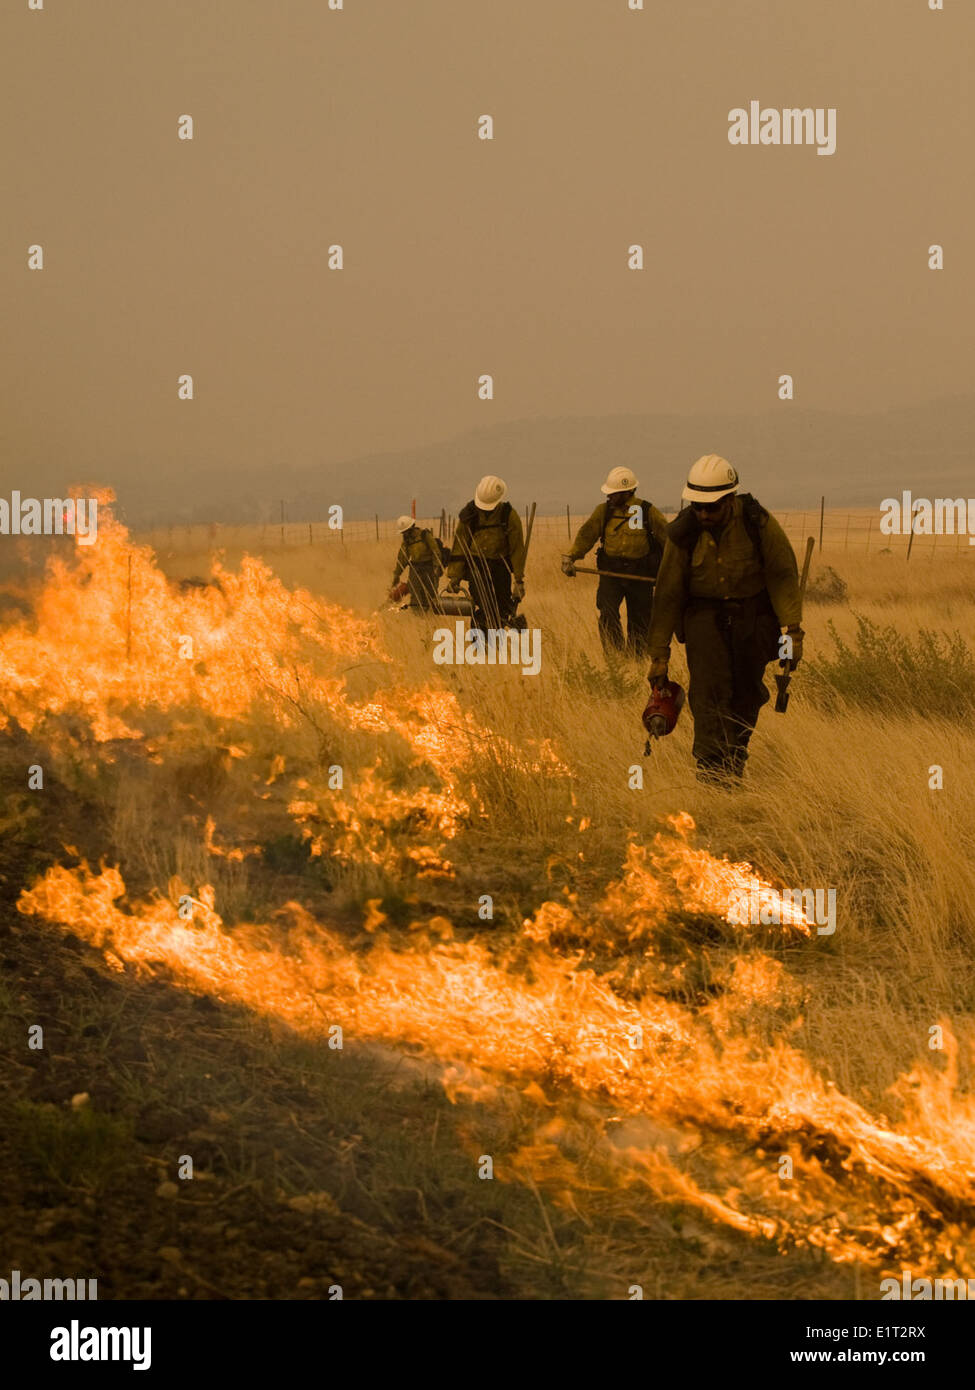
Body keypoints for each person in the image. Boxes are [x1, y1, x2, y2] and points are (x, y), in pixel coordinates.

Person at [647, 455, 803, 783]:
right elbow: (668, 594)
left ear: (731, 499)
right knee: (708, 695)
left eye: (712, 507)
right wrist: (659, 655)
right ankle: (711, 772)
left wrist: (793, 631)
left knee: (747, 695)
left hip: (753, 619)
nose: (703, 514)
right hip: (703, 618)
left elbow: (783, 576)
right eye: (698, 506)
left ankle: (735, 760)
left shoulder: (758, 524)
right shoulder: (682, 534)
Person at [562, 467, 668, 658]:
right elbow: (587, 534)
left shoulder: (647, 511)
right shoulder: (603, 511)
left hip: (640, 575)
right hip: (610, 574)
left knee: (640, 620)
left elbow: (668, 540)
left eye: (613, 493)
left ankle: (636, 660)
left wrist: (675, 568)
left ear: (627, 492)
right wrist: (571, 556)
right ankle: (615, 658)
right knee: (607, 613)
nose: (609, 496)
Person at [445, 475, 525, 632]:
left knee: (502, 608)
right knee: (484, 607)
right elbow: (460, 547)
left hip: (501, 569)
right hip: (477, 568)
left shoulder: (509, 516)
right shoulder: (469, 515)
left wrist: (519, 580)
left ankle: (496, 646)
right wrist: (455, 577)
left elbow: (517, 549)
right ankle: (479, 648)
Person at [389, 515, 443, 611]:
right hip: (415, 568)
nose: (404, 534)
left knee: (430, 593)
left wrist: (436, 567)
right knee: (414, 593)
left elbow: (436, 551)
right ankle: (417, 614)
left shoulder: (424, 535)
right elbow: (402, 558)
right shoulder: (407, 541)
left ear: (411, 528)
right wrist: (397, 574)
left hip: (429, 567)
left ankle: (431, 615)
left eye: (405, 532)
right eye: (403, 532)